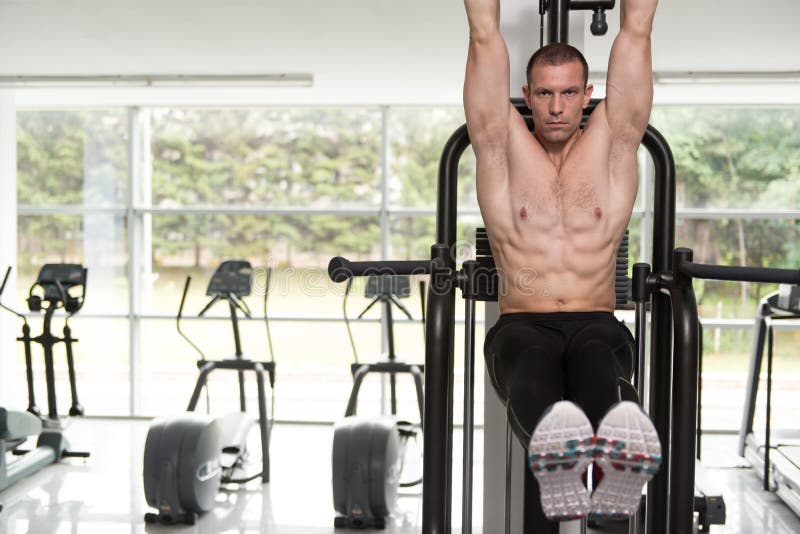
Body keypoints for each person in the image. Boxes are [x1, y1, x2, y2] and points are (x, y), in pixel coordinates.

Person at [462, 0, 662, 528]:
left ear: (588, 95)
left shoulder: (614, 146)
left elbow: (636, 30)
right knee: (534, 369)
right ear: (526, 96)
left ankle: (610, 477)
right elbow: (484, 33)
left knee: (599, 365)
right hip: (521, 326)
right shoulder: (499, 148)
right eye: (545, 93)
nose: (556, 106)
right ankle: (565, 465)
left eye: (569, 92)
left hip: (596, 319)